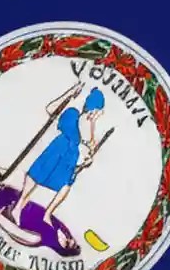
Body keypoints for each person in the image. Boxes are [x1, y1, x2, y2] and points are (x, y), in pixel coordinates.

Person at [11, 86, 104, 226]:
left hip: (71, 157)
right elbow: (54, 112)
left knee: (65, 185)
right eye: (97, 110)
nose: (97, 114)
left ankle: (47, 214)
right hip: (59, 149)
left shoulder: (89, 122)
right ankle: (18, 207)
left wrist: (89, 155)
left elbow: (90, 144)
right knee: (38, 174)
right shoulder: (74, 114)